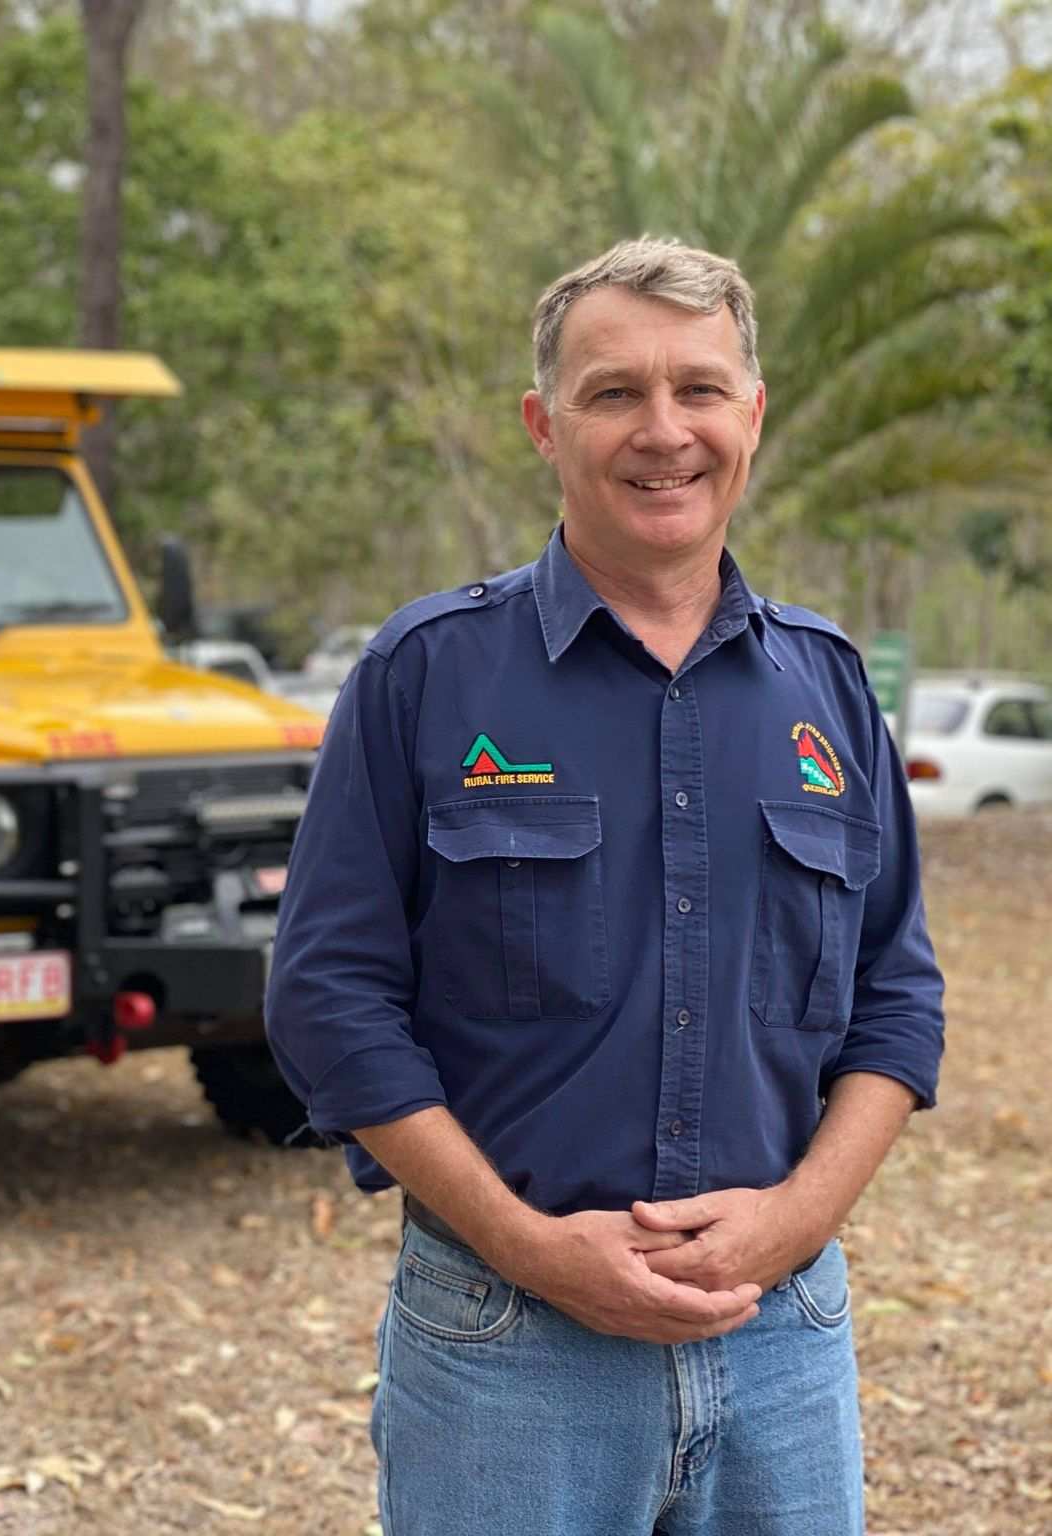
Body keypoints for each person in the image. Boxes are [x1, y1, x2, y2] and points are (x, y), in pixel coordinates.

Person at [264, 237, 945, 1536]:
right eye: (613, 392)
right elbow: (329, 1006)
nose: (663, 431)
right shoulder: (426, 674)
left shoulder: (831, 690)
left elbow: (896, 999)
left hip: (782, 1344)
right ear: (542, 425)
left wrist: (796, 1219)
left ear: (754, 415)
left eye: (698, 389)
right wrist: (530, 1247)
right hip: (507, 1349)